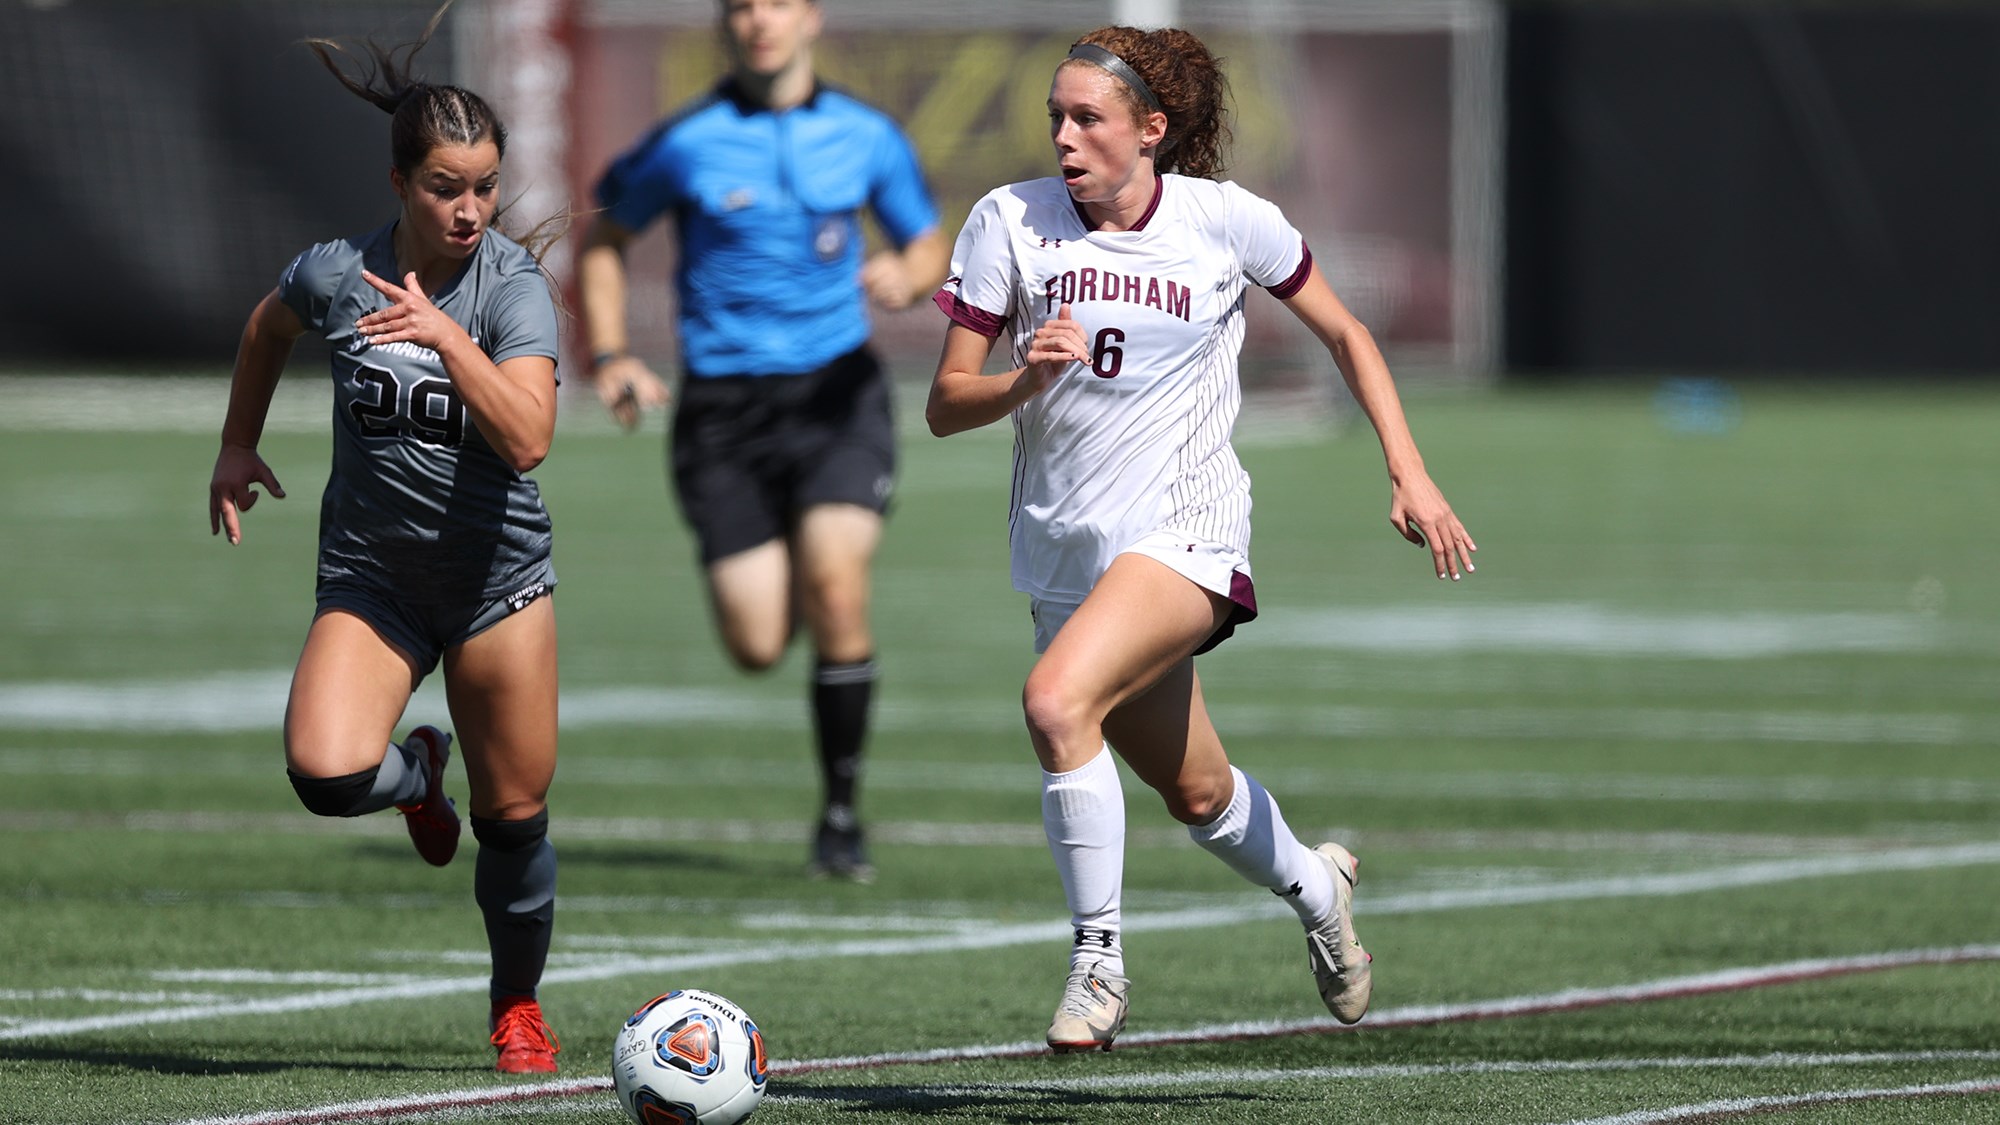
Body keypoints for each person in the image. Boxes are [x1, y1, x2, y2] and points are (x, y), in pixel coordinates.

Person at [927, 26, 1478, 1051]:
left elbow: (1348, 334)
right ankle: (1319, 890)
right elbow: (945, 405)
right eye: (1055, 114)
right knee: (1195, 791)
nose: (1062, 136)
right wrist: (1023, 380)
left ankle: (1098, 965)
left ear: (1152, 128)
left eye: (1086, 117)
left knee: (1054, 703)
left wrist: (1407, 468)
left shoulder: (1223, 221)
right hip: (1063, 556)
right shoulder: (1009, 221)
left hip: (1186, 533)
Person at [206, 2, 565, 1074]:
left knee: (513, 815)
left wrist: (448, 335)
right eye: (446, 189)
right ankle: (415, 772)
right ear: (400, 186)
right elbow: (267, 326)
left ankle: (515, 1006)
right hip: (374, 581)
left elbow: (531, 438)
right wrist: (236, 446)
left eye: (487, 187)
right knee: (322, 773)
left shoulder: (512, 290)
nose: (470, 210)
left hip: (498, 583)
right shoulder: (335, 273)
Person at [578, 0, 947, 882]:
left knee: (835, 584)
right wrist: (611, 353)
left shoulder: (865, 135)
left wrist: (909, 271)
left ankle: (841, 817)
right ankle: (780, 571)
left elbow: (928, 240)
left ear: (811, 16)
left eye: (776, 2)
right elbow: (603, 235)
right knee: (755, 643)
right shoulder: (687, 140)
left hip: (836, 399)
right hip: (723, 414)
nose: (758, 20)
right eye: (740, 5)